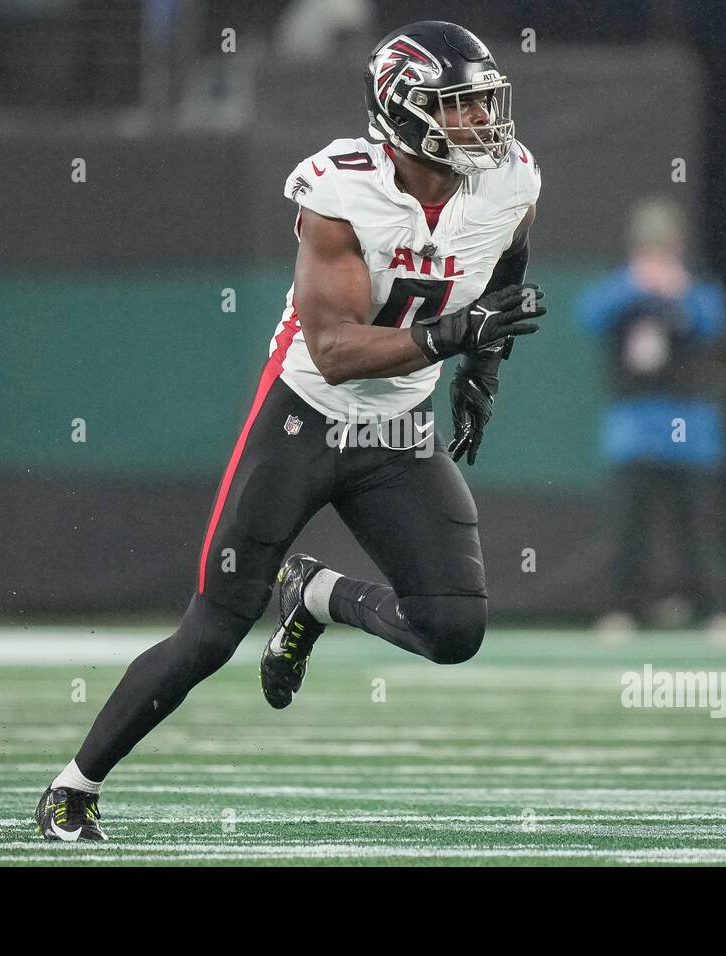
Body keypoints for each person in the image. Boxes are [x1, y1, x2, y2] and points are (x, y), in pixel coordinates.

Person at [35, 20, 545, 840]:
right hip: (305, 419)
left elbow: (505, 270)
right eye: (460, 107)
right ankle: (74, 785)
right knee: (211, 633)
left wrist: (483, 372)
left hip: (397, 433)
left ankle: (313, 596)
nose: (483, 122)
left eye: (487, 102)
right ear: (405, 111)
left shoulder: (510, 181)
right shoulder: (341, 192)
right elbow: (338, 350)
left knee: (455, 628)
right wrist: (456, 337)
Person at [574, 198, 726, 643]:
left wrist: (678, 291)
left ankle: (717, 612)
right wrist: (636, 287)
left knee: (699, 527)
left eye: (663, 248)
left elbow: (717, 322)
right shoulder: (620, 288)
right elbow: (588, 315)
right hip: (634, 425)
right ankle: (621, 611)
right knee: (628, 527)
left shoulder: (695, 288)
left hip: (692, 424)